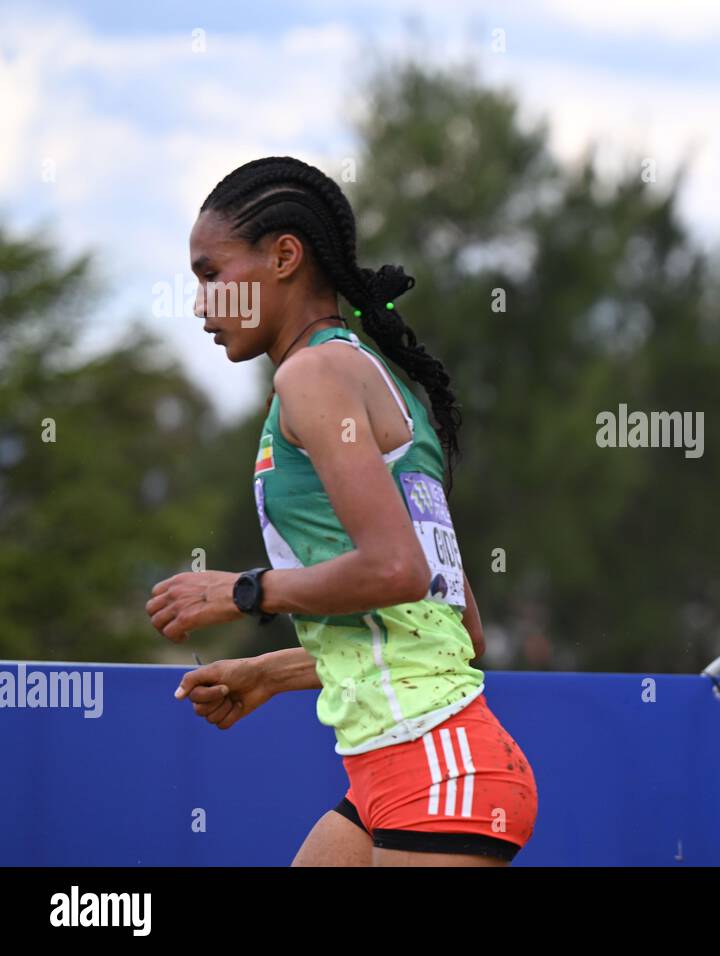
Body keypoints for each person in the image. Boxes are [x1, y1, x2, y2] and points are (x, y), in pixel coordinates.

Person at [145, 156, 537, 867]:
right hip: (397, 773)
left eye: (211, 275)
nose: (201, 305)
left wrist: (245, 590)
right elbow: (455, 630)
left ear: (285, 256)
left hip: (437, 768)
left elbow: (396, 569)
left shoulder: (315, 374)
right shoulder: (361, 372)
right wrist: (268, 673)